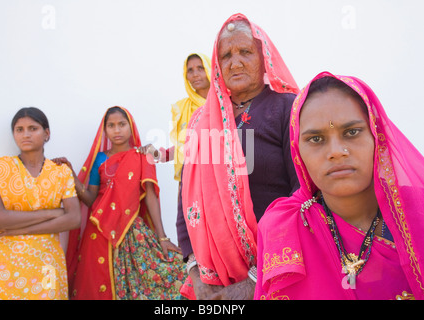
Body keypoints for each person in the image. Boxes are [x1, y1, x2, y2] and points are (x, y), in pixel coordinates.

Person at [255, 72, 424, 300]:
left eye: (351, 132)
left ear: (377, 136)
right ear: (297, 151)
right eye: (315, 139)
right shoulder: (283, 228)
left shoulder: (418, 212)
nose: (336, 151)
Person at [177, 13, 300, 300]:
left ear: (263, 56)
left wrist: (256, 279)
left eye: (245, 51)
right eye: (226, 55)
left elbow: (302, 195)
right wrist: (196, 274)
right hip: (210, 282)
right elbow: (186, 200)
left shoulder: (287, 109)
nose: (235, 62)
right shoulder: (202, 120)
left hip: (274, 272)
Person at [54, 106, 186, 300]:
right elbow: (90, 199)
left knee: (175, 273)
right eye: (111, 126)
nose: (117, 130)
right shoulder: (100, 158)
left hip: (131, 232)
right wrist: (72, 175)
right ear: (105, 130)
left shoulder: (143, 155)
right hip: (98, 233)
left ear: (131, 127)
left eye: (122, 124)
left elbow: (151, 196)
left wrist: (162, 237)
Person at [0, 107, 81, 300]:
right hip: (7, 265)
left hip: (48, 263)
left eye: (33, 128)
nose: (25, 134)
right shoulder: (0, 169)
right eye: (19, 129)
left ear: (46, 133)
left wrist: (16, 229)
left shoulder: (61, 172)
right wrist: (54, 213)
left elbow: (74, 219)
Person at [142, 53, 211, 183]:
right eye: (190, 70)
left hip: (218, 178)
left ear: (210, 69)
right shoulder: (183, 107)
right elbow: (182, 149)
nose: (195, 74)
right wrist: (157, 155)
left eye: (200, 68)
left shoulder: (225, 104)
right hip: (190, 180)